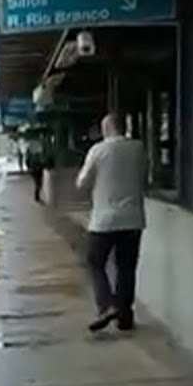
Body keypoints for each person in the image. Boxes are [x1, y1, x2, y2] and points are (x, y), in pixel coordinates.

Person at [76, 113, 148, 333]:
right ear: (124, 127)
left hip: (104, 220)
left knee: (95, 262)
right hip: (133, 218)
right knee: (126, 267)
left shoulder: (98, 150)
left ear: (105, 129)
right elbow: (145, 176)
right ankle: (124, 317)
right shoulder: (138, 148)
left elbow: (82, 183)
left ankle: (106, 305)